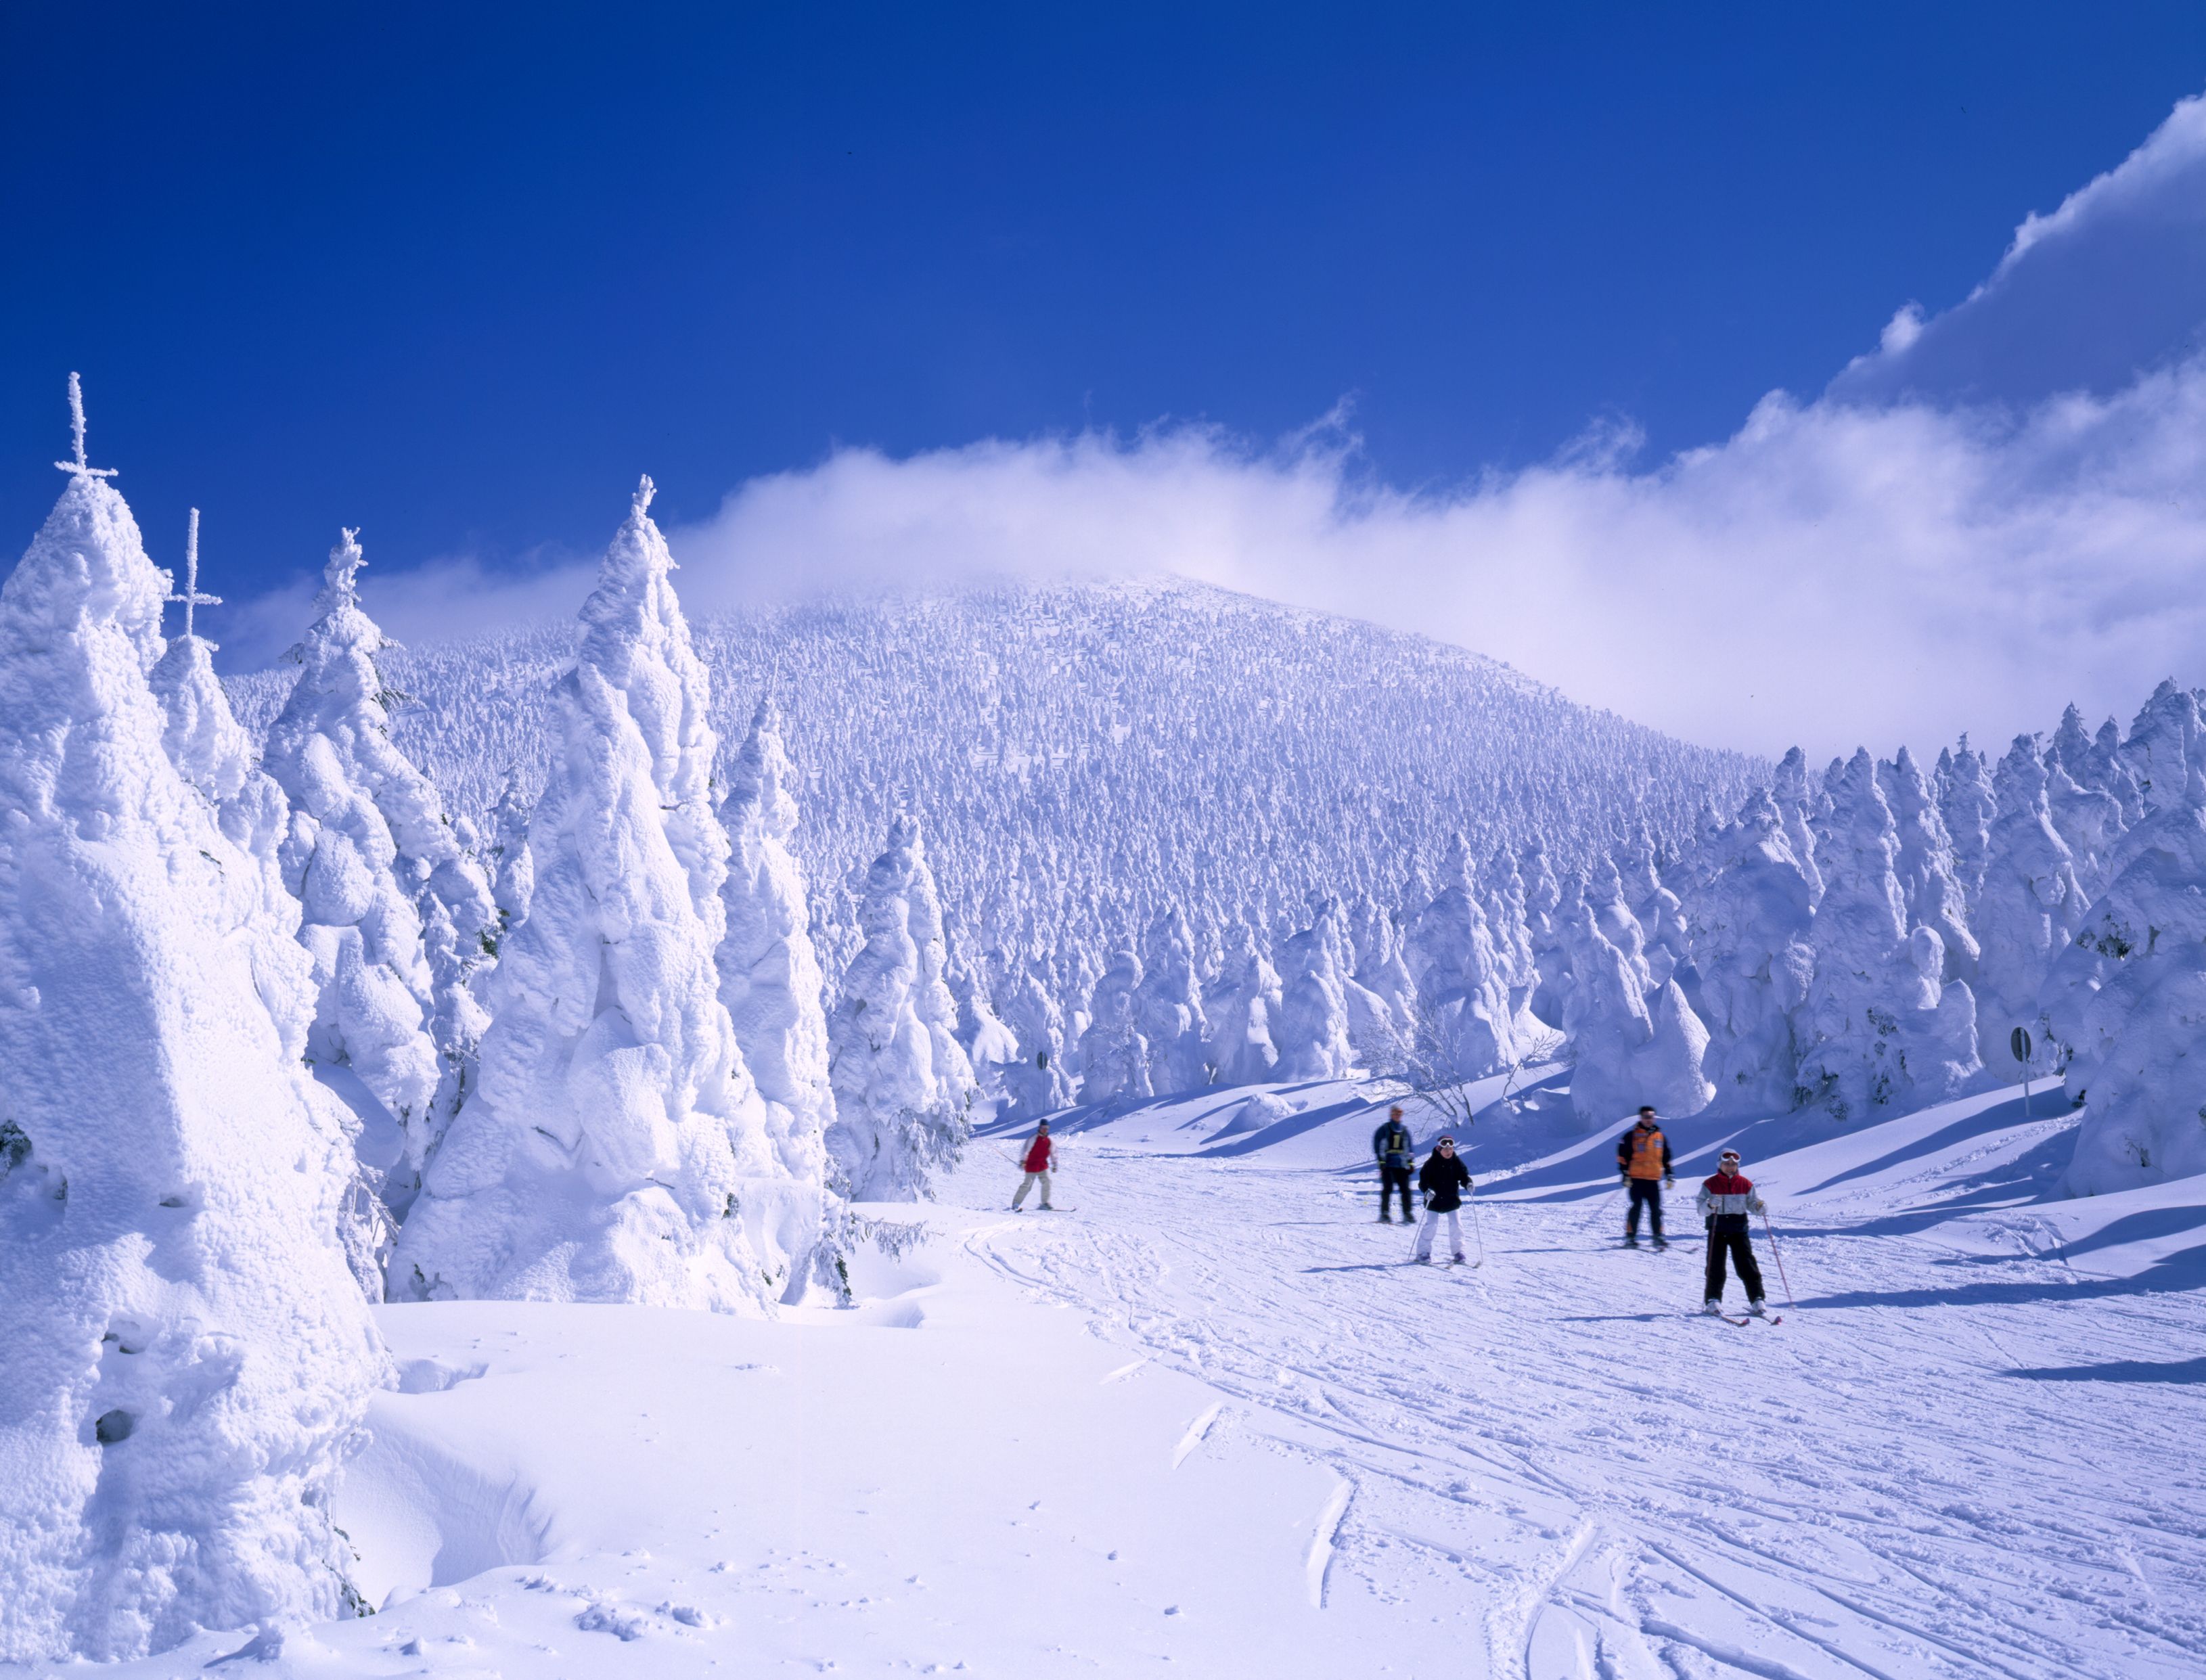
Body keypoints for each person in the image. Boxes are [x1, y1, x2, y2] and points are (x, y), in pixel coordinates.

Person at [1696, 1148, 1768, 1315]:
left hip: (1739, 1229)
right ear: (1719, 1165)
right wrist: (1709, 1204)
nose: (1730, 1167)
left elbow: (1753, 1203)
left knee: (1747, 1265)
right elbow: (1700, 1210)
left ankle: (1757, 1299)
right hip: (1717, 1229)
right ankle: (1712, 1300)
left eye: (1733, 1164)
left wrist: (1760, 1207)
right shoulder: (1710, 1184)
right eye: (1726, 1164)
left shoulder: (1745, 1183)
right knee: (1716, 1266)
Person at [1615, 1106, 1674, 1249]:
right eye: (1646, 1117)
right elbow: (1622, 1157)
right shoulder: (1631, 1136)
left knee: (1656, 1209)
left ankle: (1658, 1237)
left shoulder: (1660, 1137)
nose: (1649, 1120)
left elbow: (1666, 1157)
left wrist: (1670, 1174)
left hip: (1653, 1179)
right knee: (1637, 1207)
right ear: (1641, 1118)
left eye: (1651, 1117)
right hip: (1636, 1179)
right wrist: (1625, 1174)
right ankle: (1630, 1238)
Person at [1412, 1135, 1472, 1263]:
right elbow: (1423, 1182)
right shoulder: (1431, 1163)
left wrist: (1468, 1183)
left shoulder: (1456, 1161)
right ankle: (1423, 1253)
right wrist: (1427, 1190)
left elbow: (1463, 1176)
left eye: (1450, 1149)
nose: (1448, 1151)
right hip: (1433, 1200)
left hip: (1451, 1199)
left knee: (1456, 1225)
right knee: (1431, 1225)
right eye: (1445, 1149)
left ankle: (1459, 1252)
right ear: (1439, 1149)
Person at [1372, 1105, 1416, 1223]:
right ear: (1391, 1115)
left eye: (1399, 1114)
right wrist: (1381, 1161)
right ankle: (1385, 1214)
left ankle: (1408, 1213)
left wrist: (1410, 1162)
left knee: (1406, 1190)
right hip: (1388, 1164)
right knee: (1388, 1189)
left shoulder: (1404, 1130)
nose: (1397, 1116)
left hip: (1402, 1165)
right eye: (1395, 1113)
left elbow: (1409, 1147)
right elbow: (1378, 1145)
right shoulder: (1385, 1129)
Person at [1012, 1119, 1056, 1210]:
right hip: (1031, 1165)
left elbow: (1054, 1152)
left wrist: (1055, 1164)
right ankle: (1016, 1203)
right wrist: (1022, 1161)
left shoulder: (1049, 1140)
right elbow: (1025, 1150)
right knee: (1027, 1185)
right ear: (1040, 1128)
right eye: (1043, 1128)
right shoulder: (1034, 1138)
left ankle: (1045, 1203)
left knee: (1047, 1182)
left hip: (1043, 1165)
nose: (1045, 1130)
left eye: (1047, 1128)